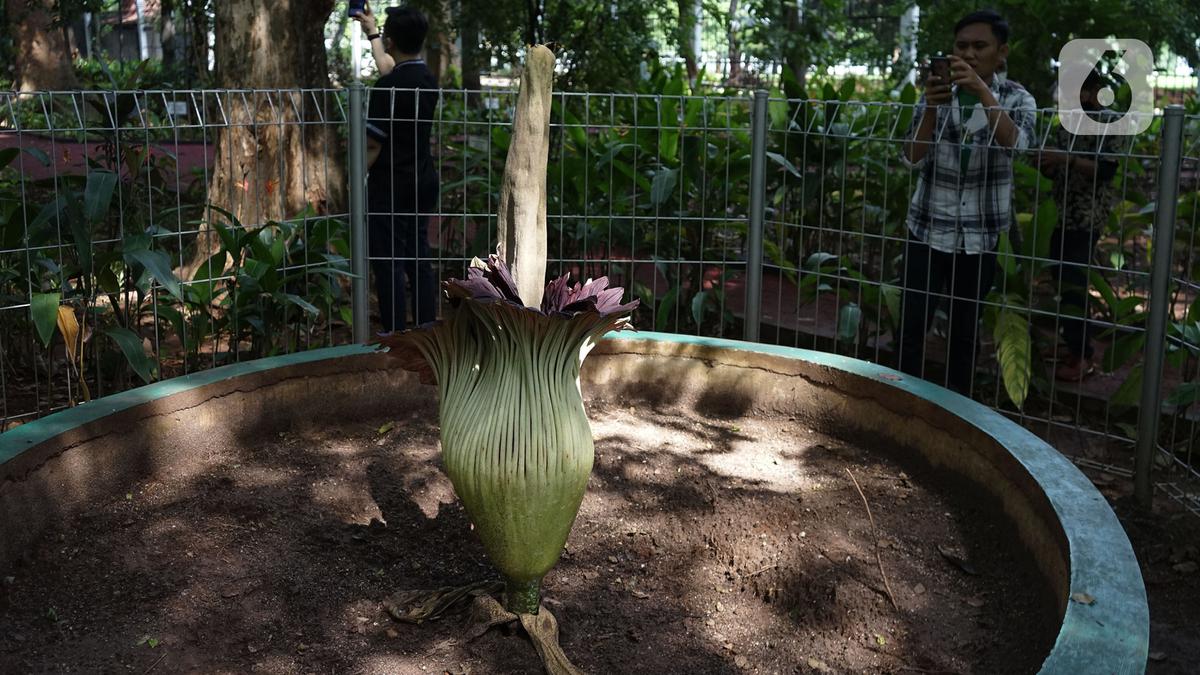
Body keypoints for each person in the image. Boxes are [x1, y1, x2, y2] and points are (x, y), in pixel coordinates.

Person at [897, 9, 1037, 395]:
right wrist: (930, 108)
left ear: (1001, 52)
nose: (970, 54)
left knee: (964, 333)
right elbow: (911, 156)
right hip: (927, 229)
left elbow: (1020, 147)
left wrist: (982, 92)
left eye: (981, 46)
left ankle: (958, 415)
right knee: (911, 327)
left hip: (979, 238)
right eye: (962, 46)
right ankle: (899, 403)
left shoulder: (1017, 98)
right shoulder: (935, 95)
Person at [1036, 69, 1126, 381]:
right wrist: (1046, 163)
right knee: (1061, 278)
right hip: (1061, 213)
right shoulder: (1067, 121)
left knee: (1075, 281)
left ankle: (1082, 355)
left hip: (1086, 217)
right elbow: (1055, 168)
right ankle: (1071, 344)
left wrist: (1065, 159)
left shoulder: (1108, 123)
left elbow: (1104, 171)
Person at [365, 6, 440, 333]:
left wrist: (355, 178)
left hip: (389, 185)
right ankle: (425, 328)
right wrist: (372, 33)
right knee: (418, 256)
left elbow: (372, 145)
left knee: (388, 261)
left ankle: (394, 333)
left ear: (391, 40)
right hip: (422, 180)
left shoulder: (386, 89)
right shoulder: (427, 80)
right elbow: (391, 70)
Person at [350, 2, 396, 74]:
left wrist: (372, 30)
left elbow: (386, 66)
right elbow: (385, 64)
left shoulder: (389, 81)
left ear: (390, 42)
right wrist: (371, 30)